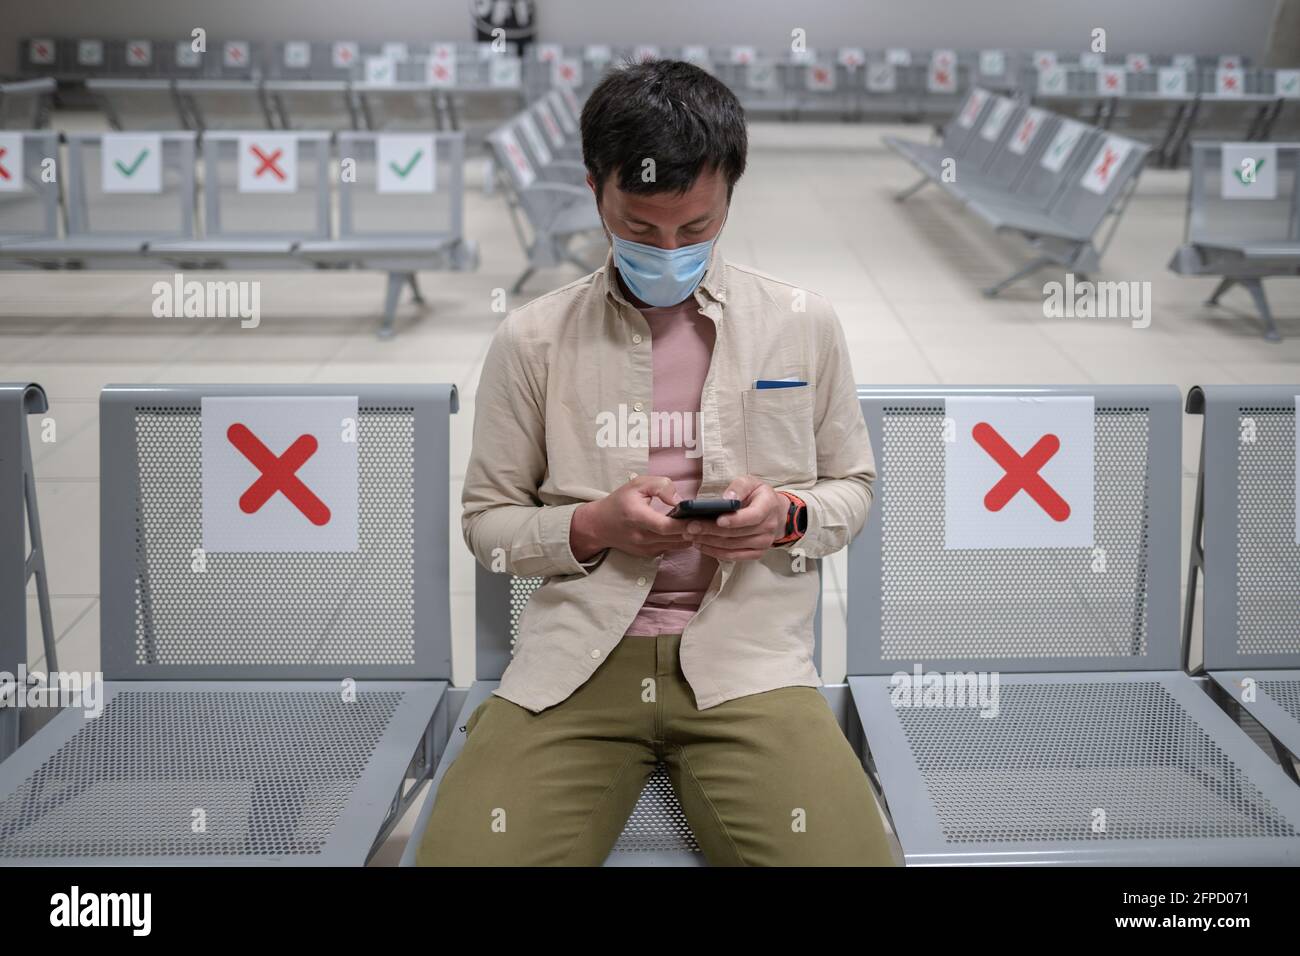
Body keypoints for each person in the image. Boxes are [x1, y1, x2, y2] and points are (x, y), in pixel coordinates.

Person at [415, 58, 896, 866]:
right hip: (577, 662)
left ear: (730, 198)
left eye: (696, 228)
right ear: (595, 187)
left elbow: (851, 488)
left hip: (749, 661)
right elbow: (486, 527)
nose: (669, 250)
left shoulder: (801, 326)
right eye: (640, 228)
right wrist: (592, 525)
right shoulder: (534, 338)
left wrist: (788, 517)